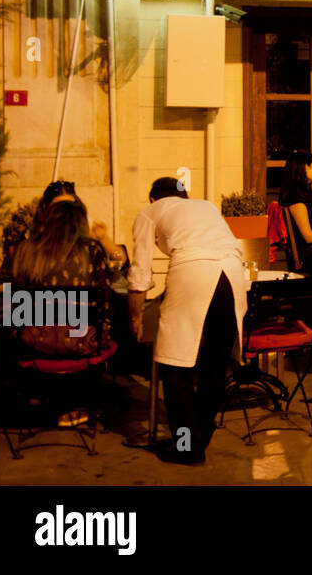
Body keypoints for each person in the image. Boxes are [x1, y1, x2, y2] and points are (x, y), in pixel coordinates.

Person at [128, 177, 247, 466]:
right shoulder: (205, 206)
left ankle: (186, 448)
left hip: (193, 270)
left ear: (153, 198)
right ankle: (199, 438)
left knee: (173, 365)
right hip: (233, 274)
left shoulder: (149, 213)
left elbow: (140, 272)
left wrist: (135, 317)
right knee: (214, 364)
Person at [8, 199, 114, 431]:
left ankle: (37, 396)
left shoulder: (26, 250)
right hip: (82, 343)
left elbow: (14, 297)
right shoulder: (91, 250)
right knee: (103, 325)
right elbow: (106, 297)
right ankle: (82, 404)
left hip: (34, 341)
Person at [278, 151, 312, 275]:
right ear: (304, 167)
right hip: (310, 258)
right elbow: (308, 237)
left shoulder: (305, 194)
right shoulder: (296, 198)